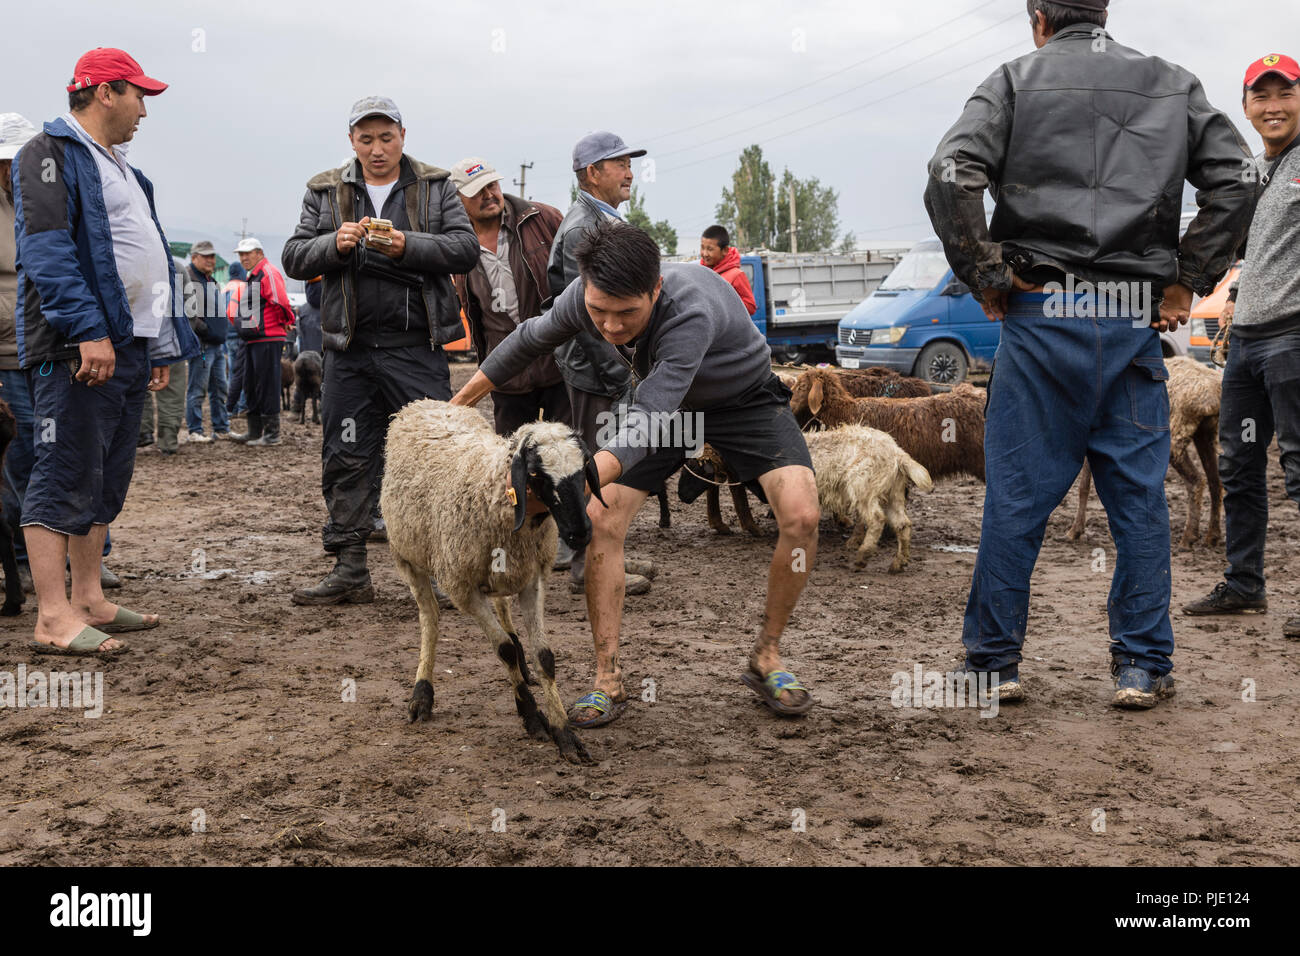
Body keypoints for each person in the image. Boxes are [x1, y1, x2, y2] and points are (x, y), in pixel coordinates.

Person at [923, 0, 1254, 709]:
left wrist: (985, 273)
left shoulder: (1015, 79)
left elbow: (951, 172)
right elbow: (1238, 179)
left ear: (1038, 17)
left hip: (1043, 316)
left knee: (1016, 498)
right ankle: (1139, 667)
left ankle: (992, 665)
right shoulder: (1171, 81)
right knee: (1139, 502)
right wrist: (1185, 279)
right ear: (1106, 13)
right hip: (1132, 321)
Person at [451, 220, 822, 727]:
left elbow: (649, 418)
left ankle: (768, 657)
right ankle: (608, 678)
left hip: (743, 401)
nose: (611, 327)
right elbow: (528, 340)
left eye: (627, 313)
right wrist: (458, 404)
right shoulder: (583, 298)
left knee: (802, 516)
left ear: (656, 289)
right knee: (604, 522)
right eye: (599, 312)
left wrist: (581, 478)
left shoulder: (689, 311)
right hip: (667, 408)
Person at [13, 48, 200, 655]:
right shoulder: (47, 155)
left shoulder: (124, 168)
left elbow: (140, 255)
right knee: (63, 469)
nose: (145, 110)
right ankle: (51, 615)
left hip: (131, 341)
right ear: (105, 93)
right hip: (80, 344)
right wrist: (85, 331)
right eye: (140, 95)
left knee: (105, 475)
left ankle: (89, 596)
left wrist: (160, 341)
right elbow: (46, 253)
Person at [283, 95, 477, 605]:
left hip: (416, 349)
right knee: (345, 454)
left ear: (403, 136)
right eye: (365, 139)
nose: (376, 149)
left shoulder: (435, 186)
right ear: (351, 141)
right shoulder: (325, 190)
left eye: (385, 137)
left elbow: (464, 249)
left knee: (433, 460)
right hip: (347, 352)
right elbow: (294, 257)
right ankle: (350, 569)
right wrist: (335, 243)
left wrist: (405, 245)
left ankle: (441, 572)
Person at [1183, 54, 1300, 636]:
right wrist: (1235, 300)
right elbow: (1256, 253)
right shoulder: (1255, 171)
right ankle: (1245, 585)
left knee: (1298, 468)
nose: (1273, 106)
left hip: (1293, 339)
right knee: (1241, 466)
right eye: (1261, 96)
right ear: (1247, 105)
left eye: (1285, 94)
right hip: (1249, 343)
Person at [2, 112, 121, 594]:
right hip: (7, 352)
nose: (11, 168)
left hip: (51, 341)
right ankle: (22, 557)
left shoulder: (51, 190)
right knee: (25, 454)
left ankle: (89, 558)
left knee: (76, 449)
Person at [548, 130, 654, 594]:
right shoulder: (583, 229)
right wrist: (618, 376)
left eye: (630, 163)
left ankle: (601, 554)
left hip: (600, 367)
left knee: (599, 458)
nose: (630, 172)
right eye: (620, 163)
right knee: (596, 462)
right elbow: (590, 318)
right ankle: (588, 567)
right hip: (594, 369)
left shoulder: (597, 222)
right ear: (593, 173)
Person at [449, 157, 571, 435]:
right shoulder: (458, 243)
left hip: (557, 367)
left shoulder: (544, 219)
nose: (489, 194)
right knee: (512, 458)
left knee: (565, 454)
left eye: (491, 185)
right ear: (458, 200)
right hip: (507, 377)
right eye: (477, 191)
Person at [226, 237, 293, 446]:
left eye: (247, 253)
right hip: (254, 338)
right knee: (251, 384)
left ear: (259, 253)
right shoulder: (254, 275)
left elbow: (280, 299)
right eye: (241, 254)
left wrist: (287, 320)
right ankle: (254, 431)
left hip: (268, 336)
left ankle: (272, 434)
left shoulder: (268, 272)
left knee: (267, 384)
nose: (243, 257)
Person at [181, 240, 230, 442]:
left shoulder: (210, 280)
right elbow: (186, 311)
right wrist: (204, 329)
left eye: (212, 256)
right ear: (194, 257)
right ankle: (195, 430)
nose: (211, 260)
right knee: (197, 388)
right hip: (202, 344)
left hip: (217, 345)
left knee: (220, 388)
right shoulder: (188, 278)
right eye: (206, 256)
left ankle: (221, 427)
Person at [700, 225, 756, 315]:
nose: (705, 253)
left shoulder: (736, 275)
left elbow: (750, 307)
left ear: (725, 250)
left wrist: (722, 305)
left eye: (710, 249)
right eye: (702, 248)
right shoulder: (701, 273)